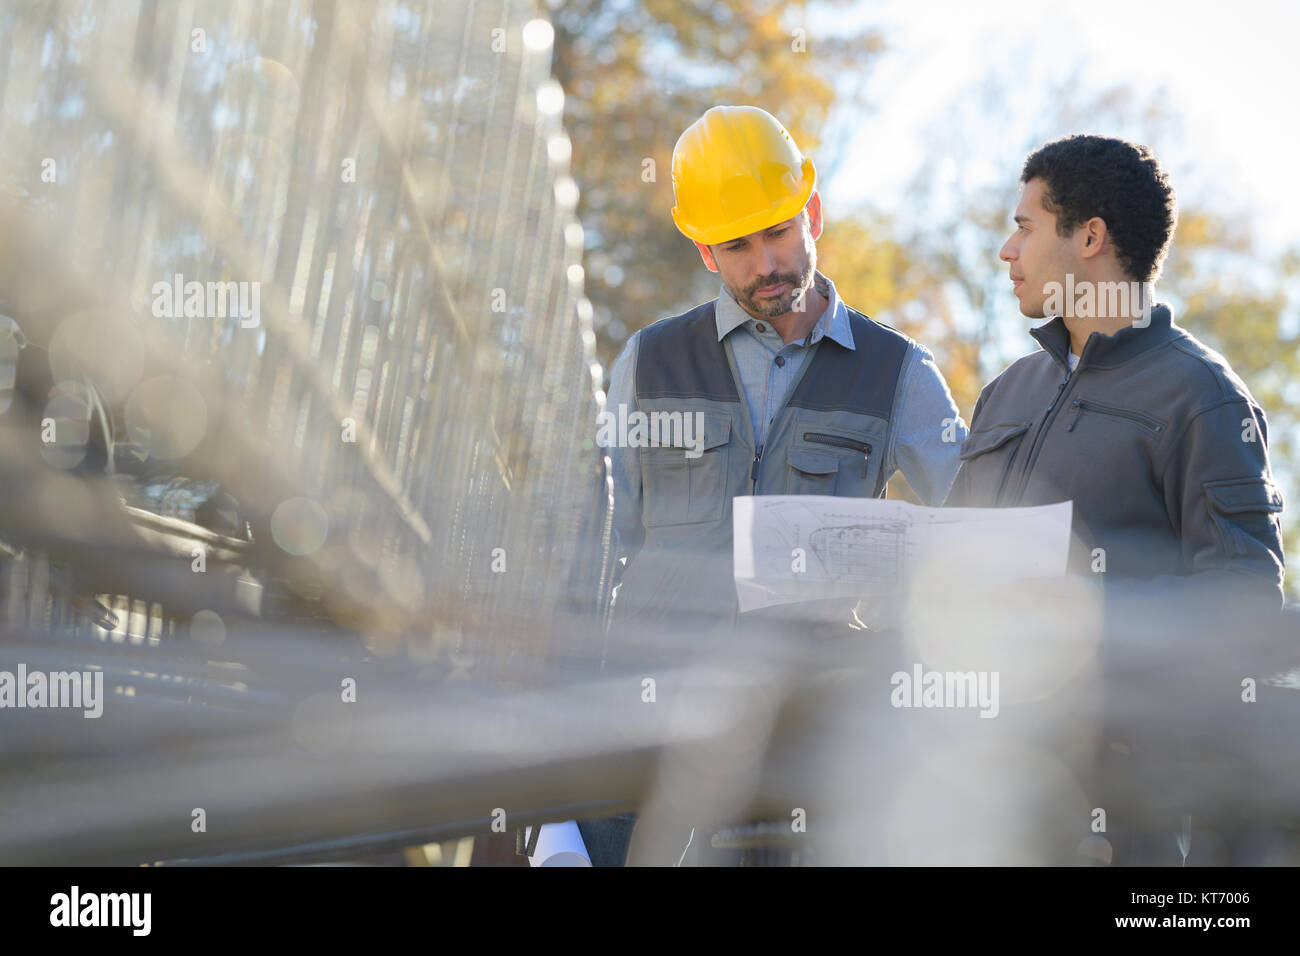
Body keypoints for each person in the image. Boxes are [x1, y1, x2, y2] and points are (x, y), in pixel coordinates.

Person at [581, 105, 968, 865]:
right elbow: (596, 537)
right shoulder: (650, 362)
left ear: (812, 212)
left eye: (781, 232)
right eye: (739, 245)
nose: (768, 264)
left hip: (804, 737)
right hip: (644, 718)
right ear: (704, 252)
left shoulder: (898, 373)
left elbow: (977, 532)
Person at [945, 134, 1288, 864]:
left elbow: (1244, 608)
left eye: (1025, 226)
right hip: (975, 795)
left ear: (1090, 237)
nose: (1009, 251)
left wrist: (1079, 611)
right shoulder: (1006, 393)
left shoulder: (1200, 397)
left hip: (1120, 818)